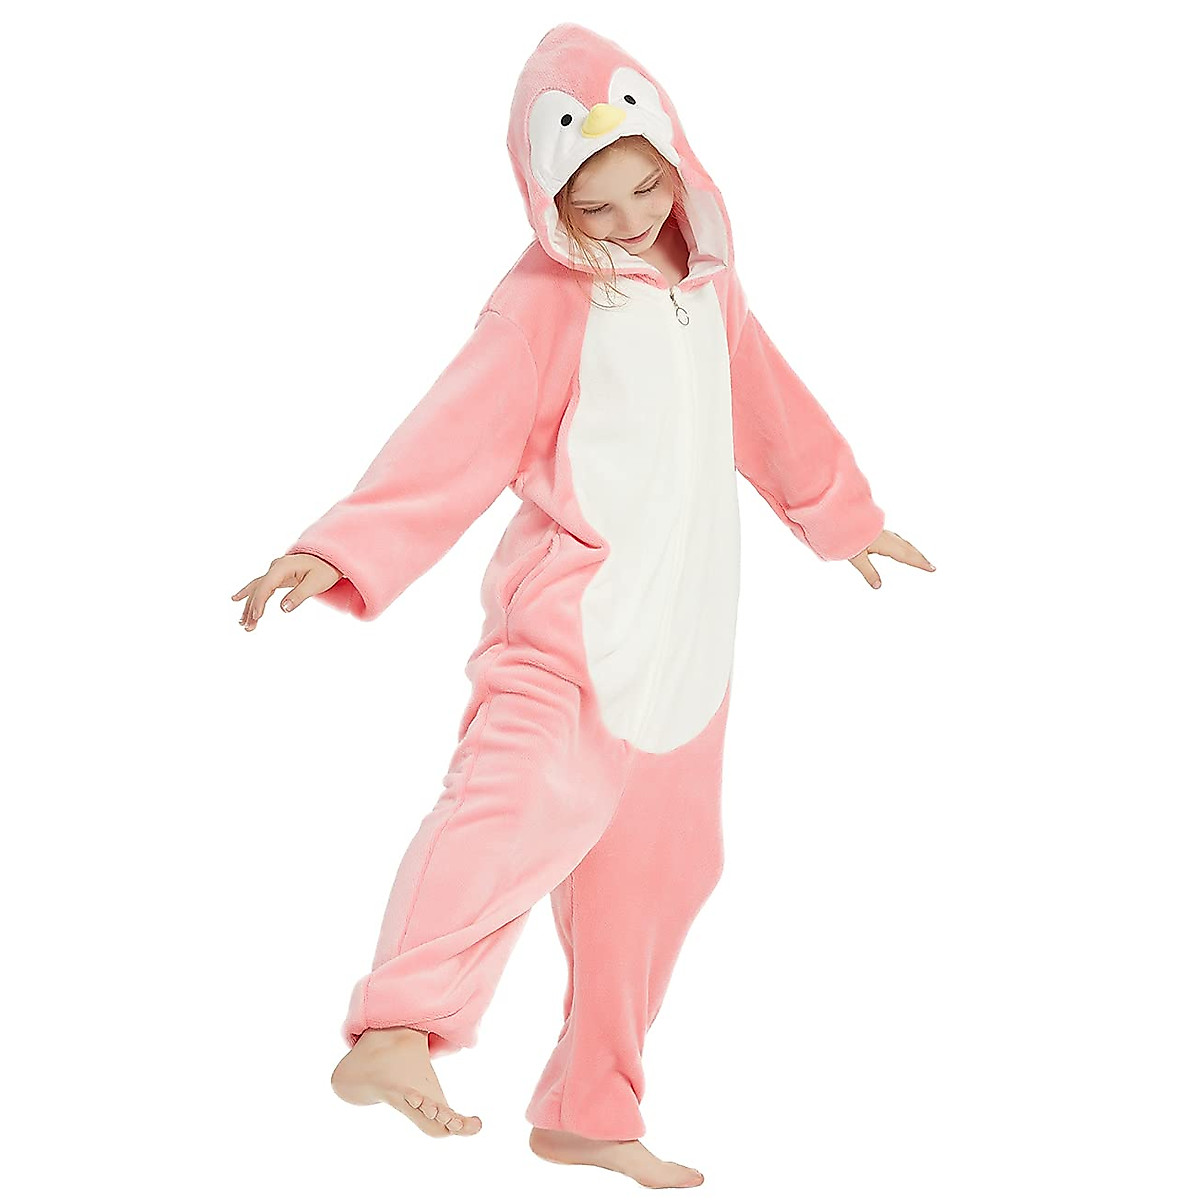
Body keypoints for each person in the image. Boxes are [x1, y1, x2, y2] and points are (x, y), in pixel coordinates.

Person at [232, 22, 934, 1190]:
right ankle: (398, 1026)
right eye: (594, 206)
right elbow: (454, 434)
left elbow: (768, 405)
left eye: (647, 188)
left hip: (684, 650)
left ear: (676, 156)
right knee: (510, 808)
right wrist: (337, 546)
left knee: (662, 875)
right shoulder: (545, 302)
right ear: (548, 199)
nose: (629, 220)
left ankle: (590, 1109)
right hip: (565, 632)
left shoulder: (707, 285)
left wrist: (840, 516)